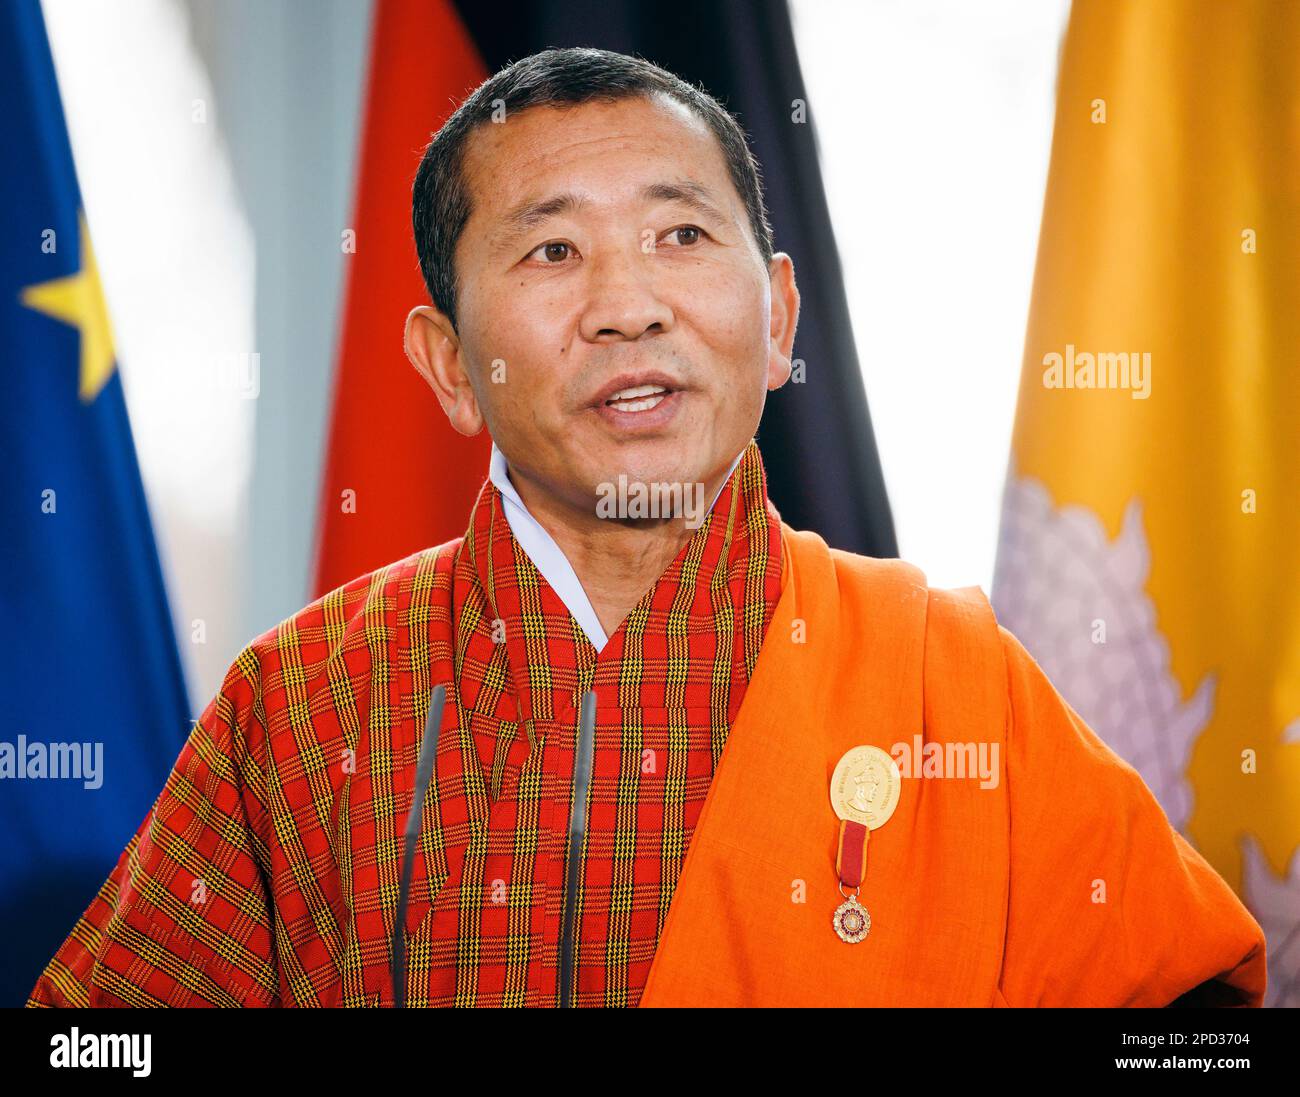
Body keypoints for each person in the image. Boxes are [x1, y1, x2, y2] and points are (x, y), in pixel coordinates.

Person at [28, 47, 1265, 1008]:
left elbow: (1188, 1017)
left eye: (680, 234)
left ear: (776, 319)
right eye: (552, 249)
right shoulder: (303, 703)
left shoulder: (952, 681)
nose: (627, 305)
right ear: (449, 365)